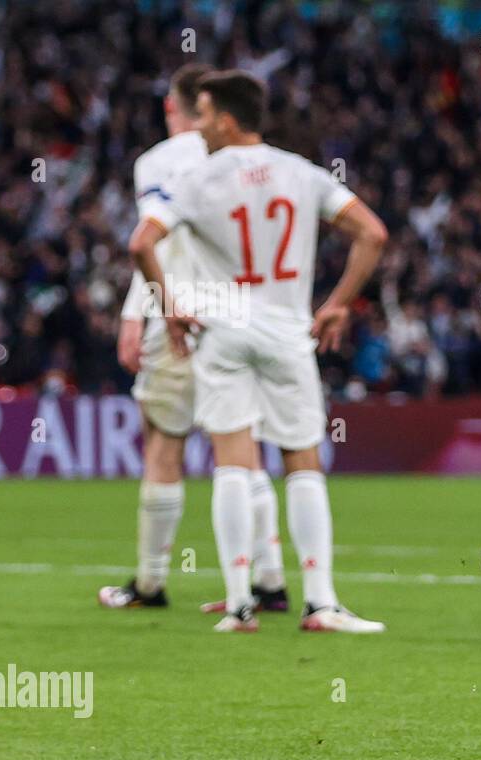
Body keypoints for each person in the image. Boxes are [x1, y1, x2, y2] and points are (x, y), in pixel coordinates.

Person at [128, 69, 388, 633]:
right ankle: (320, 602)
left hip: (222, 331)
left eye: (201, 115)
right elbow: (373, 234)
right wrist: (338, 303)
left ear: (223, 118)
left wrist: (168, 304)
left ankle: (240, 603)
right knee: (302, 462)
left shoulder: (196, 180)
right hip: (286, 330)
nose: (197, 128)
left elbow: (140, 243)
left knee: (233, 463)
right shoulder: (302, 173)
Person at [99, 63, 288, 614]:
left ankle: (151, 584)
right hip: (248, 316)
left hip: (182, 315)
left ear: (172, 106)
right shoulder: (257, 161)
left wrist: (138, 312)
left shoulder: (159, 161)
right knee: (244, 450)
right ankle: (270, 582)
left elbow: (152, 242)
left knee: (165, 445)